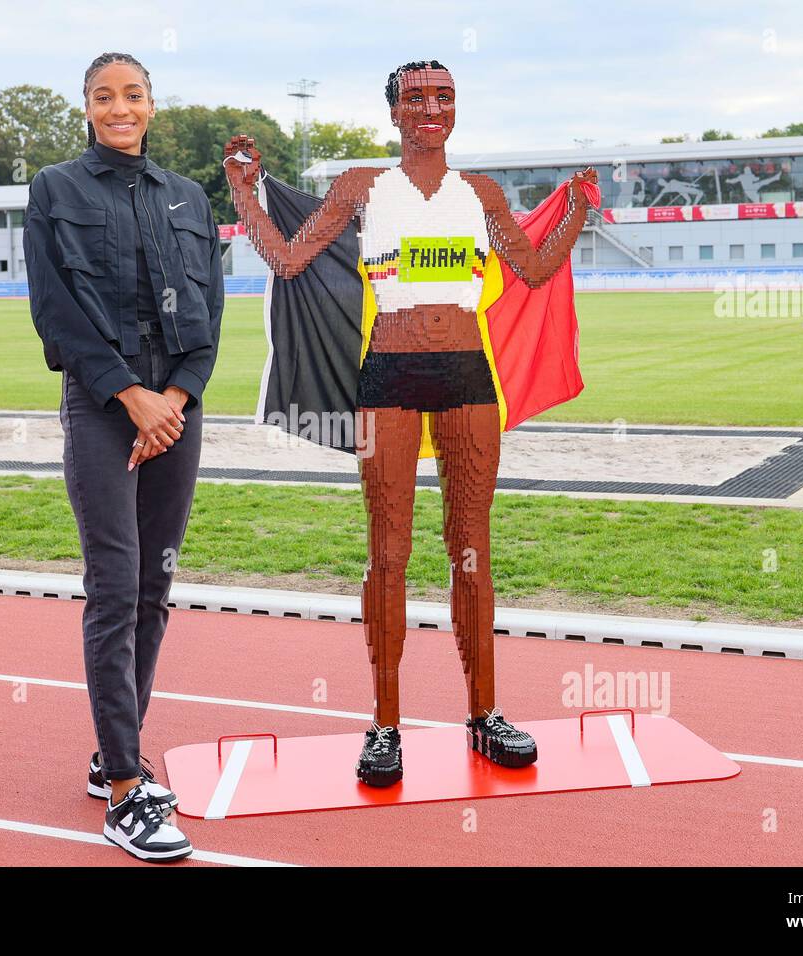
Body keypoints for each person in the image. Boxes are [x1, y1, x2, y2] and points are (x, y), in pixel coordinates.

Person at [224, 60, 595, 787]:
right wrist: (243, 192)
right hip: (387, 375)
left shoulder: (482, 192)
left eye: (445, 97)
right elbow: (291, 260)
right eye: (417, 98)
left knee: (472, 548)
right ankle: (385, 725)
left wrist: (579, 208)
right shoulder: (363, 187)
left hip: (467, 377)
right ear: (393, 112)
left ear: (456, 110)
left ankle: (484, 715)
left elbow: (536, 272)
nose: (432, 107)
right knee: (388, 551)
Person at [24, 52, 223, 861]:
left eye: (132, 95)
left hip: (176, 405)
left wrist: (173, 397)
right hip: (103, 404)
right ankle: (128, 794)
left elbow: (211, 304)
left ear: (151, 105)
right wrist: (126, 395)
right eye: (104, 96)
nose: (119, 108)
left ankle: (116, 750)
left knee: (154, 585)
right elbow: (53, 306)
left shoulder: (189, 196)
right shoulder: (55, 190)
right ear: (86, 108)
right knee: (113, 585)